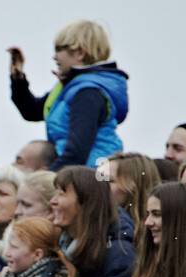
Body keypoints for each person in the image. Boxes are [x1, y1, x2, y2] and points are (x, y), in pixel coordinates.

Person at [8, 20, 130, 169]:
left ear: (79, 53)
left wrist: (47, 181)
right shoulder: (70, 89)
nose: (54, 57)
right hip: (77, 172)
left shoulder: (88, 93)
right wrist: (18, 78)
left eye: (59, 49)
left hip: (93, 175)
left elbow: (77, 152)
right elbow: (31, 111)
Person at [50, 165, 134, 277]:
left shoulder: (118, 254)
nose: (53, 201)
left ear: (87, 202)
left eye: (62, 193)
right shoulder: (58, 246)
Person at [106, 152, 161, 238]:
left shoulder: (156, 234)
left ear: (135, 187)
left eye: (110, 181)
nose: (100, 186)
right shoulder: (94, 225)